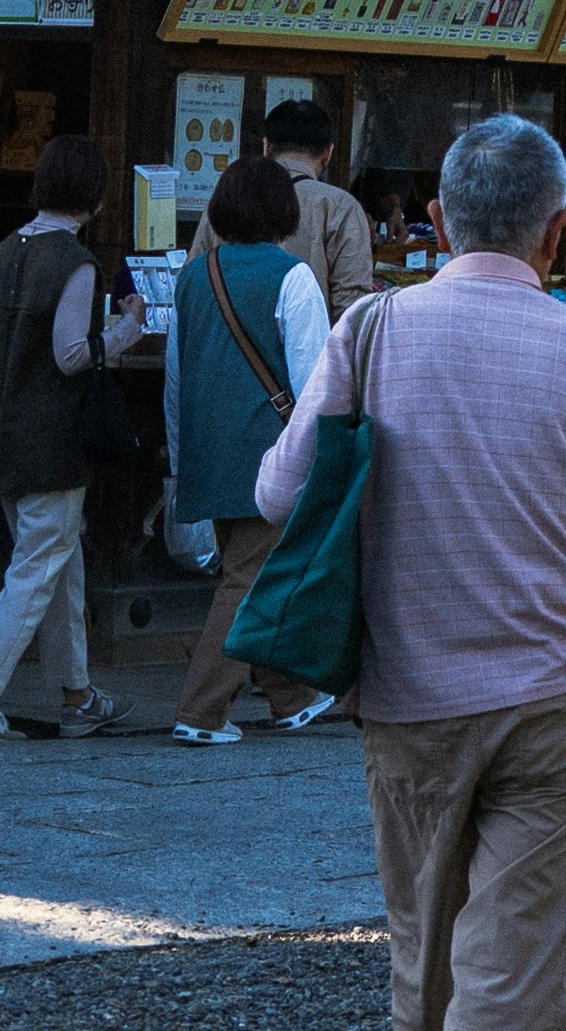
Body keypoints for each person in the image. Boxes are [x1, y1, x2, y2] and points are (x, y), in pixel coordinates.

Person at [255, 114, 566, 1031]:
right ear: (558, 228)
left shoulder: (372, 330)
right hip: (560, 691)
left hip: (411, 691)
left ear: (438, 219)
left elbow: (279, 494)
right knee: (512, 965)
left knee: (423, 955)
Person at [0, 132, 145, 740]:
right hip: (54, 444)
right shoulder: (77, 262)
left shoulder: (5, 252)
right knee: (39, 567)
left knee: (61, 567)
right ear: (95, 194)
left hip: (5, 438)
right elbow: (70, 356)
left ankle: (78, 696)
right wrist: (128, 329)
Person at [165, 154, 337, 743]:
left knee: (255, 572)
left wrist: (178, 455)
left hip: (209, 451)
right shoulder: (292, 277)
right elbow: (316, 382)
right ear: (284, 210)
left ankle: (290, 697)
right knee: (249, 579)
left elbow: (175, 377)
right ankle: (201, 710)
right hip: (271, 452)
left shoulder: (192, 278)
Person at [226, 95, 375, 320]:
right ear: (328, 153)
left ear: (267, 146)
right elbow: (351, 308)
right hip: (312, 351)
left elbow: (194, 277)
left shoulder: (230, 196)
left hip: (231, 350)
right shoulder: (341, 207)